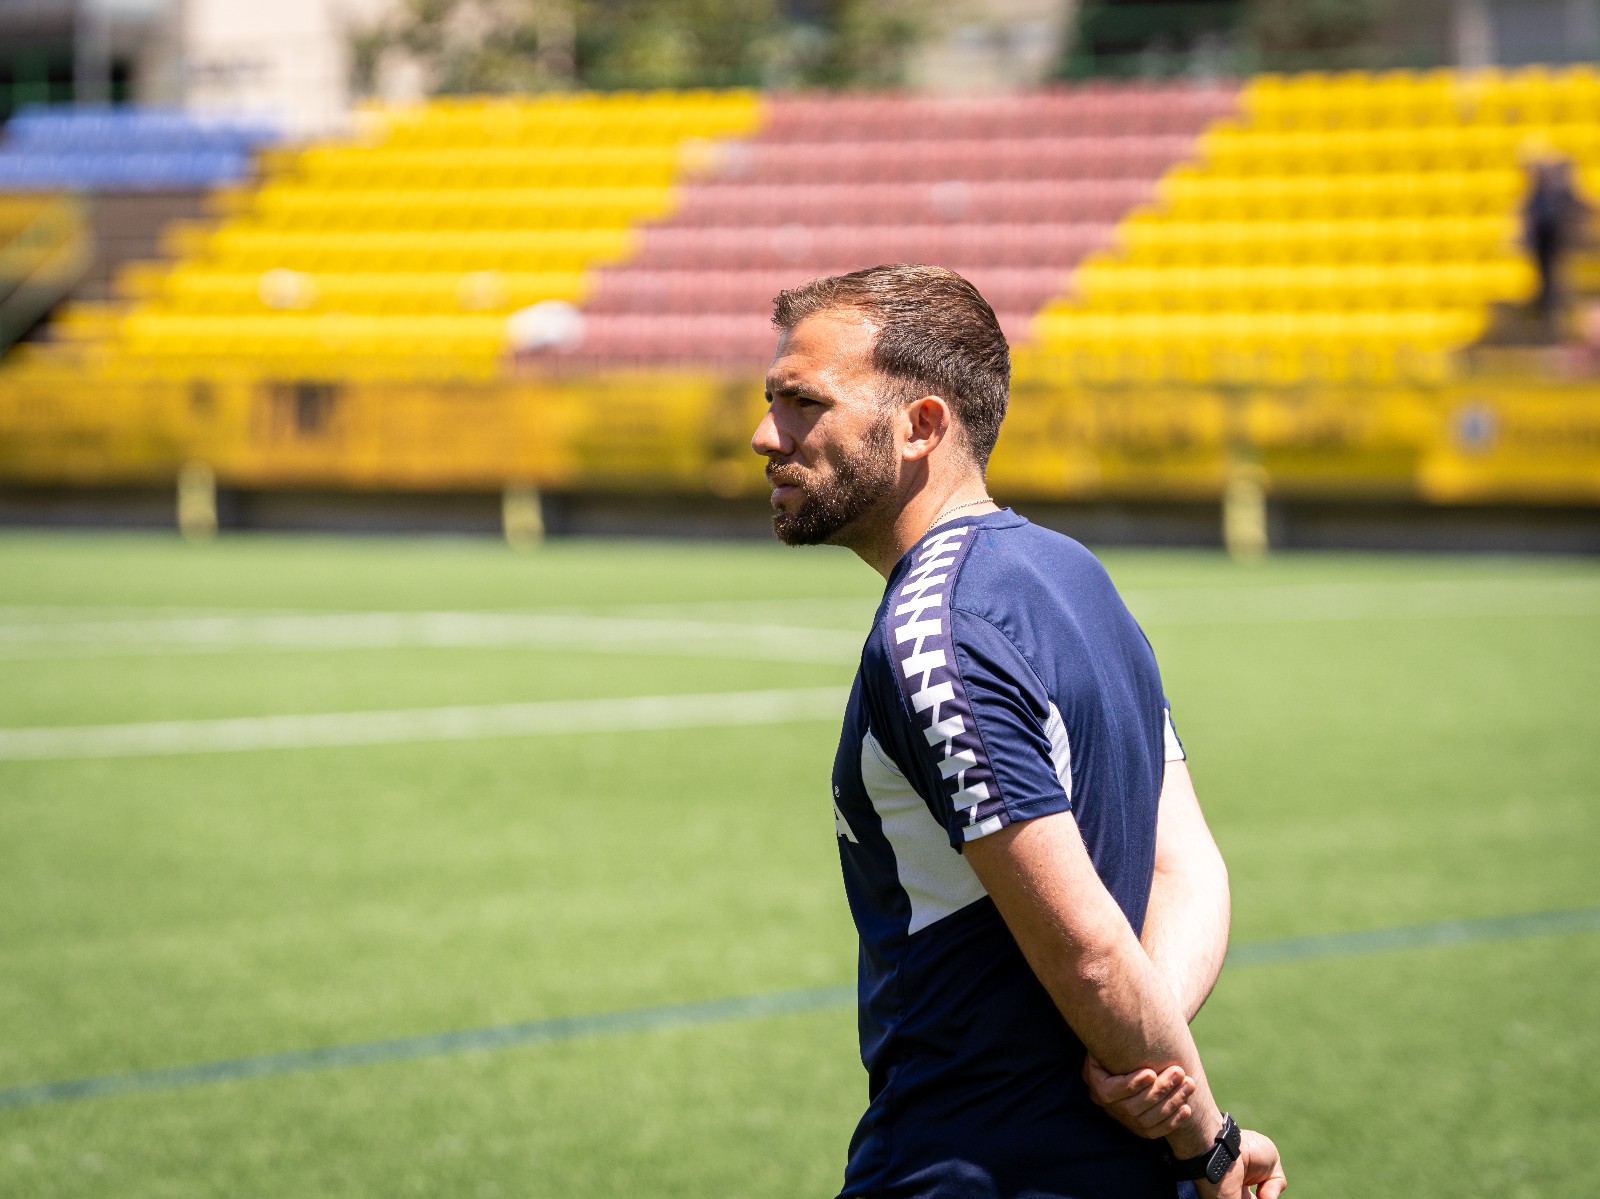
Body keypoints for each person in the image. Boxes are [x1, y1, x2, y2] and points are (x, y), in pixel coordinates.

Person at [749, 263, 1287, 1199]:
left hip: (971, 1163)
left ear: (921, 425)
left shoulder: (933, 633)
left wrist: (1205, 1136)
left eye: (802, 403)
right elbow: (1187, 870)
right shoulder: (1075, 575)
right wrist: (1150, 1077)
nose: (765, 435)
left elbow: (1087, 947)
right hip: (1116, 1170)